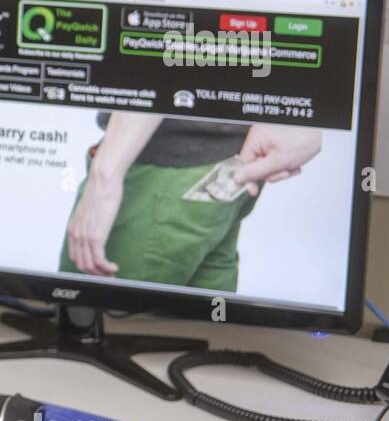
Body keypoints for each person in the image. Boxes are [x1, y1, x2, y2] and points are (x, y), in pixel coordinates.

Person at [59, 111, 322, 290]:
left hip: (161, 174)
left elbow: (161, 43)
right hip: (231, 166)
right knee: (199, 338)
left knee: (99, 330)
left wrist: (104, 178)